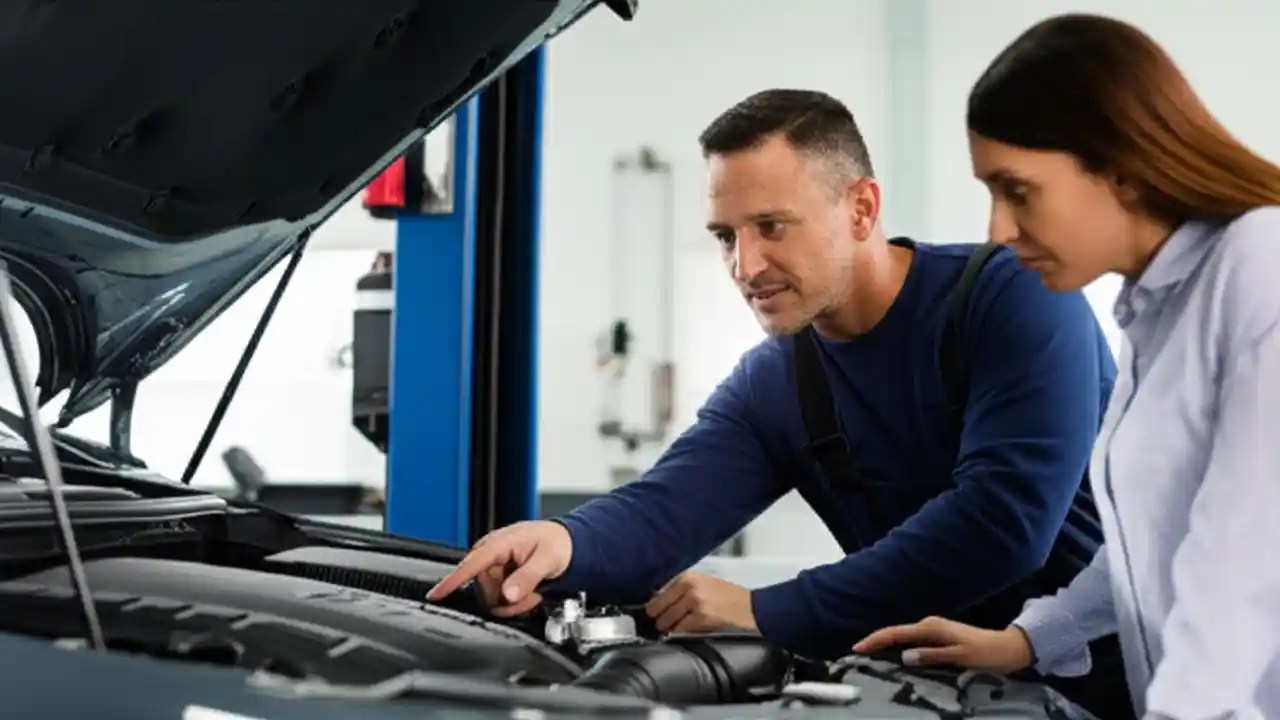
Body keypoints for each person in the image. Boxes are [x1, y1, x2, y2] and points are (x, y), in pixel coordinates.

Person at [429, 88, 1122, 709]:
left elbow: (1004, 523)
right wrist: (564, 541)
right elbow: (664, 512)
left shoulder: (1015, 300)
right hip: (938, 696)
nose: (745, 266)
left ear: (861, 207)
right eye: (726, 236)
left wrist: (768, 612)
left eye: (772, 226)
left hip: (1119, 688)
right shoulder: (777, 381)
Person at [852, 13, 1280, 720]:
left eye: (1016, 191)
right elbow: (1153, 541)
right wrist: (1027, 638)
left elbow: (1242, 563)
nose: (997, 230)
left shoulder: (1258, 268)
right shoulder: (1154, 307)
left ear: (1121, 167)